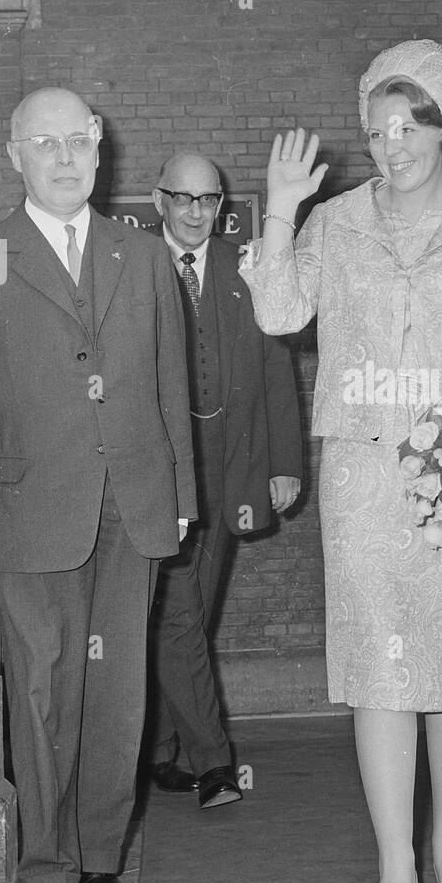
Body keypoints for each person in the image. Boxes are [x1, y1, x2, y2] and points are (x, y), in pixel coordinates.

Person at [241, 40, 442, 883]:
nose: (392, 144)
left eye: (409, 126)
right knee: (379, 668)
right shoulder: (333, 222)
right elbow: (279, 313)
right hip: (366, 471)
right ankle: (395, 870)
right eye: (377, 128)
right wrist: (283, 213)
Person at [0, 87, 197, 883]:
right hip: (27, 512)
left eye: (76, 142)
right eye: (41, 143)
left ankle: (98, 860)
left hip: (134, 505)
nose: (62, 157)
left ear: (99, 151)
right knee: (42, 691)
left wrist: (183, 496)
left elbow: (170, 386)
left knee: (118, 693)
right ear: (13, 156)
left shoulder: (144, 256)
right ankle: (43, 871)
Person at [146, 151, 303, 808]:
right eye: (181, 198)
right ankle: (214, 764)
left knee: (187, 617)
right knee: (179, 617)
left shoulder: (245, 277)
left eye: (206, 200)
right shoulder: (133, 269)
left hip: (229, 471)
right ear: (159, 202)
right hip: (158, 478)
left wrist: (285, 462)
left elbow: (276, 369)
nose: (193, 211)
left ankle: (159, 753)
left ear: (221, 207)